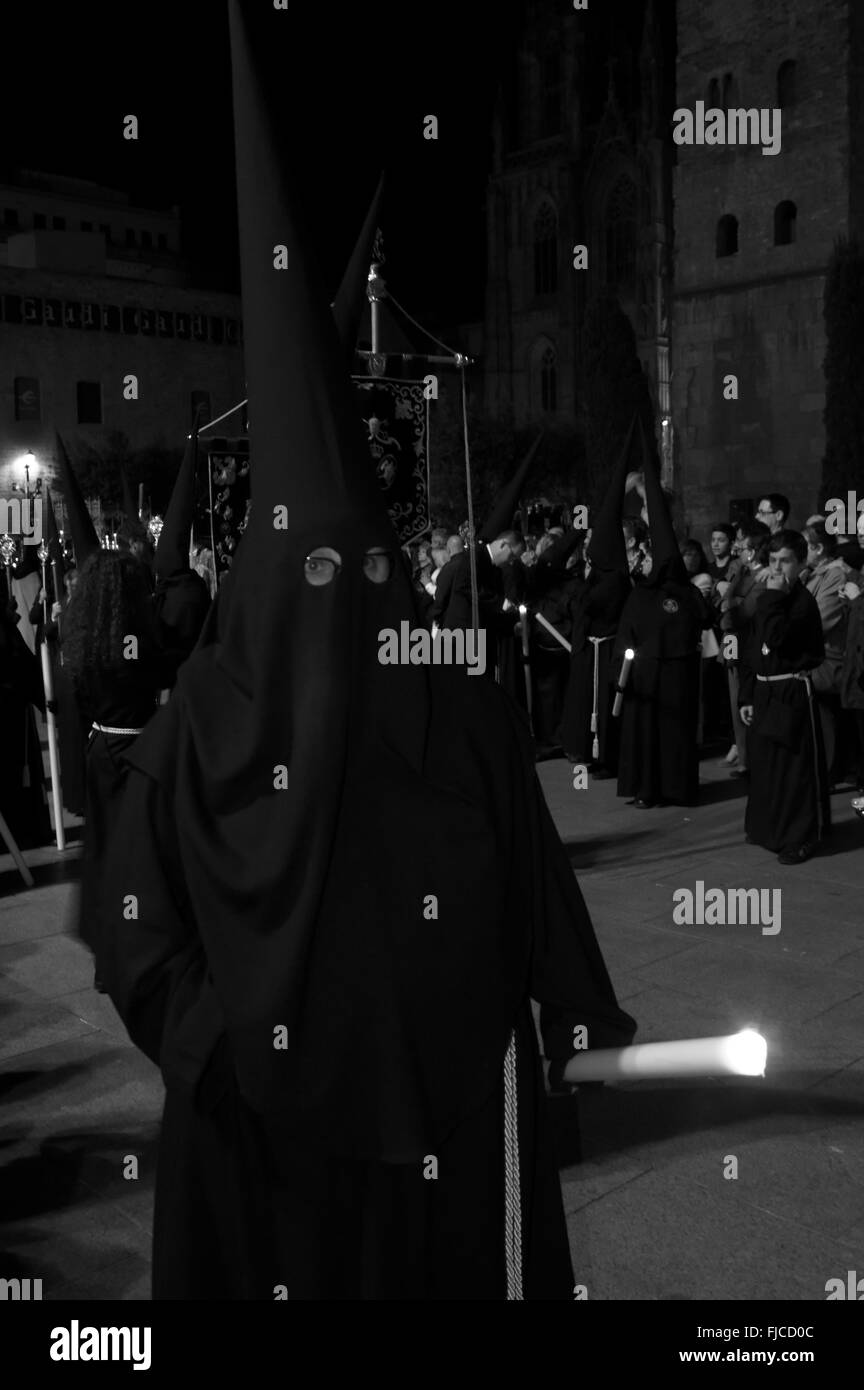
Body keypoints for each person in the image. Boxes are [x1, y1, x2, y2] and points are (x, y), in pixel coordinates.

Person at [94, 3, 636, 1302]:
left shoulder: (463, 714)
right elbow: (132, 924)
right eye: (310, 574)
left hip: (447, 1128)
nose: (339, 603)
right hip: (255, 1146)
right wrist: (215, 1043)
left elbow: (531, 885)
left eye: (362, 570)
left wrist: (562, 1011)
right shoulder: (192, 734)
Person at [615, 431, 703, 808]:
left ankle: (674, 785)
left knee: (672, 723)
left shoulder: (667, 546)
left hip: (672, 647)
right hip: (647, 645)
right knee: (647, 723)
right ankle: (648, 785)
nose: (643, 514)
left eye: (647, 507)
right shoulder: (645, 543)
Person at [738, 530, 830, 864]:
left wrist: (771, 599)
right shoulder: (770, 596)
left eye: (786, 561)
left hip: (791, 690)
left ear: (801, 563)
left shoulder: (801, 602)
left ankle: (802, 836)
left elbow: (777, 638)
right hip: (764, 689)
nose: (777, 569)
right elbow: (752, 648)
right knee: (764, 766)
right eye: (773, 561)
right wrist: (745, 696)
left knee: (794, 769)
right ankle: (767, 828)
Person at [803, 522, 851, 787]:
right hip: (816, 655)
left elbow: (822, 619)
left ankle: (831, 772)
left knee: (828, 718)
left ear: (818, 548)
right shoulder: (812, 573)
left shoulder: (834, 575)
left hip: (828, 657)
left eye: (806, 546)